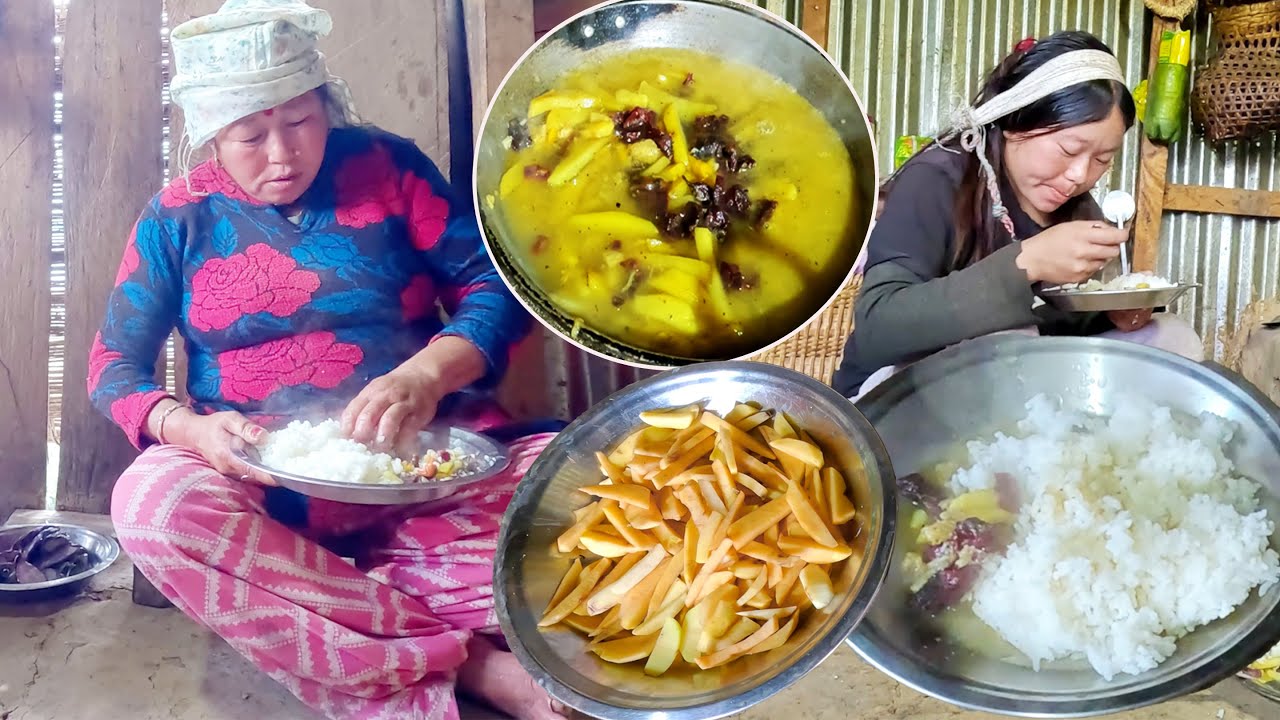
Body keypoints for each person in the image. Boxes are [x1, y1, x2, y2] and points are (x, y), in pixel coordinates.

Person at [90, 2, 565, 718]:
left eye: (302, 121)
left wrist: (425, 376)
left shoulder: (388, 168)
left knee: (587, 500)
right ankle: (469, 664)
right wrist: (190, 432)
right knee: (153, 506)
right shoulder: (176, 218)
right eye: (250, 135)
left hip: (429, 473)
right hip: (264, 498)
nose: (281, 155)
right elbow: (112, 369)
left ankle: (332, 612)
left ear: (326, 104)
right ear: (213, 133)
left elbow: (490, 285)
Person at [832, 31, 1203, 401]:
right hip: (888, 394)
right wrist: (1026, 263)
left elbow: (1059, 333)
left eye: (1102, 160)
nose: (1080, 175)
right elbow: (877, 327)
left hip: (1022, 386)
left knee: (1172, 340)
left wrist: (1111, 315)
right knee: (1010, 342)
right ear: (1014, 123)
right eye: (1068, 149)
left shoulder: (1080, 209)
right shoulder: (937, 179)